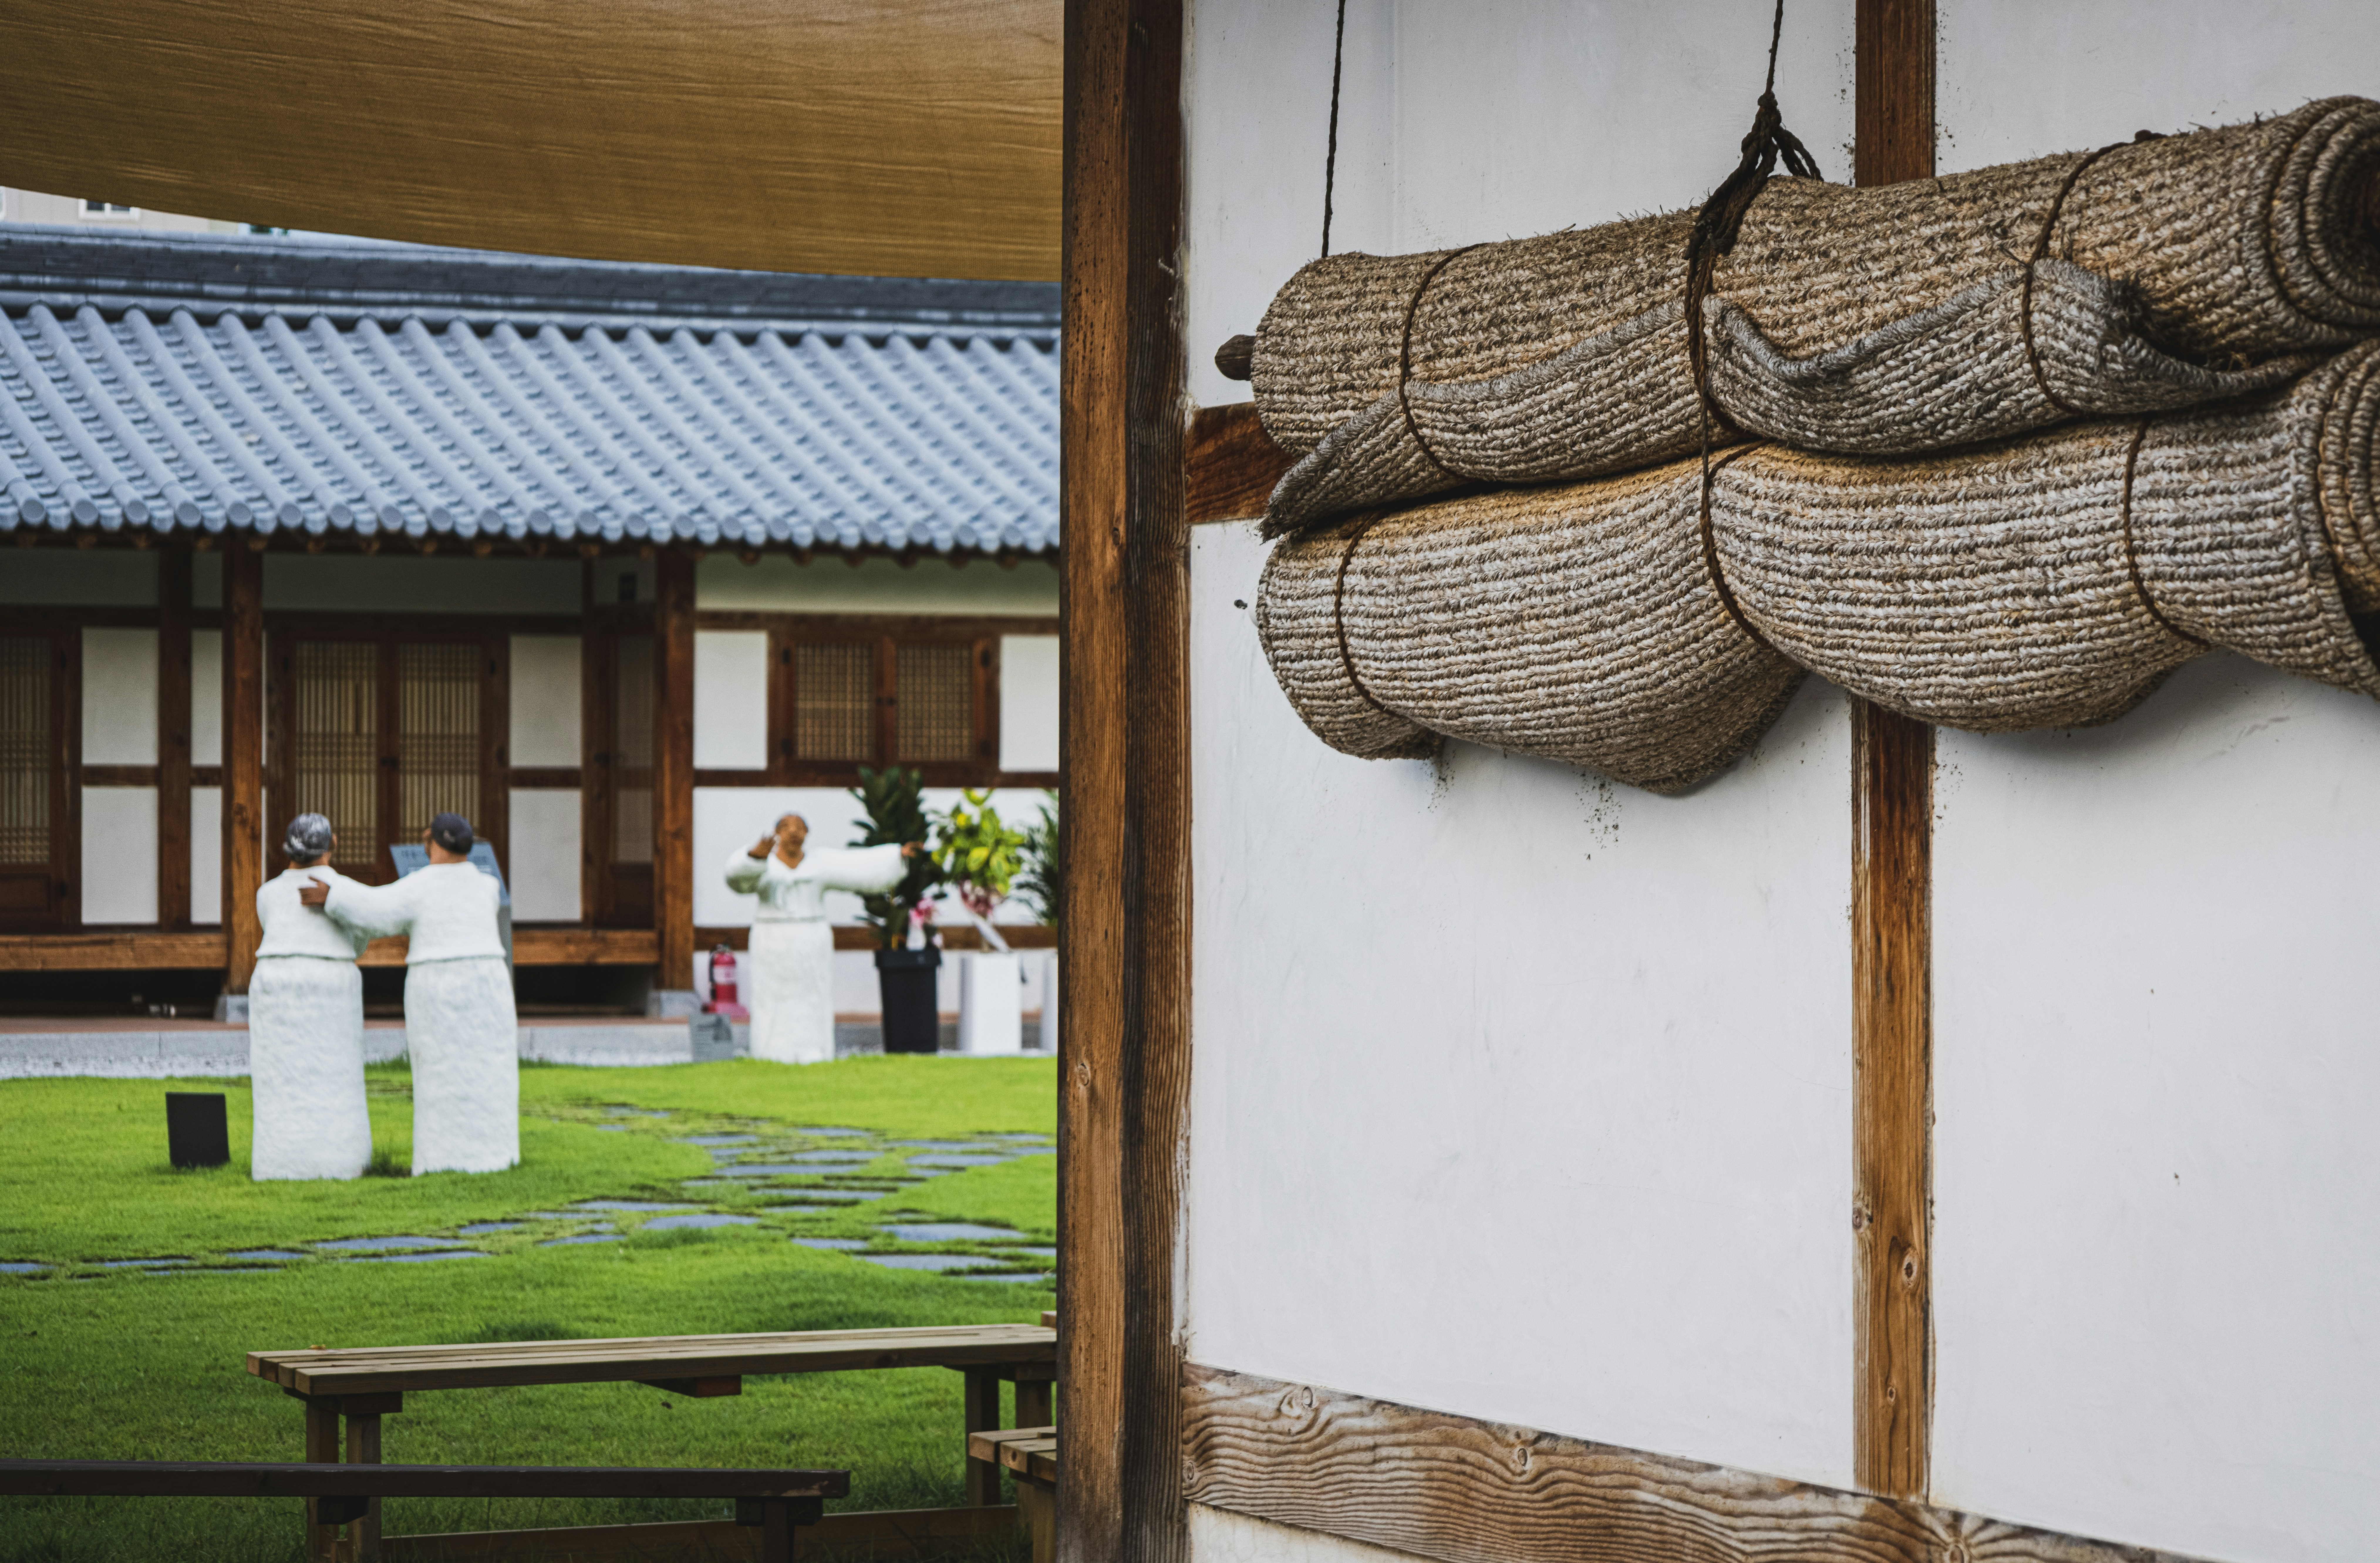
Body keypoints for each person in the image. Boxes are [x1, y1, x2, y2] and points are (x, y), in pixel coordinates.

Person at [303, 813, 518, 1175]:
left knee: (441, 1072)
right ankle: (496, 1154)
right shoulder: (487, 888)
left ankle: (443, 1159)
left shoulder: (421, 886)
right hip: (490, 985)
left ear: (428, 840)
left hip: (438, 988)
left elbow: (376, 911)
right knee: (488, 1072)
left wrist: (334, 896)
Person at [725, 814, 915, 1065]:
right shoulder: (765, 865)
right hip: (772, 942)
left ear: (807, 833)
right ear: (776, 833)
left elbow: (858, 866)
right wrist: (754, 858)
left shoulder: (820, 862)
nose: (793, 832)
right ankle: (770, 1052)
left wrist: (895, 856)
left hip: (811, 942)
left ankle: (814, 1050)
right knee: (771, 1000)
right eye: (786, 827)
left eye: (799, 827)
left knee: (813, 998)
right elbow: (737, 880)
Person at [248, 813, 374, 1180]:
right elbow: (362, 933)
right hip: (332, 982)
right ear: (332, 845)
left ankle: (279, 1164)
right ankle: (340, 1161)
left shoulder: (267, 893)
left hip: (273, 981)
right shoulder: (345, 889)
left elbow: (269, 922)